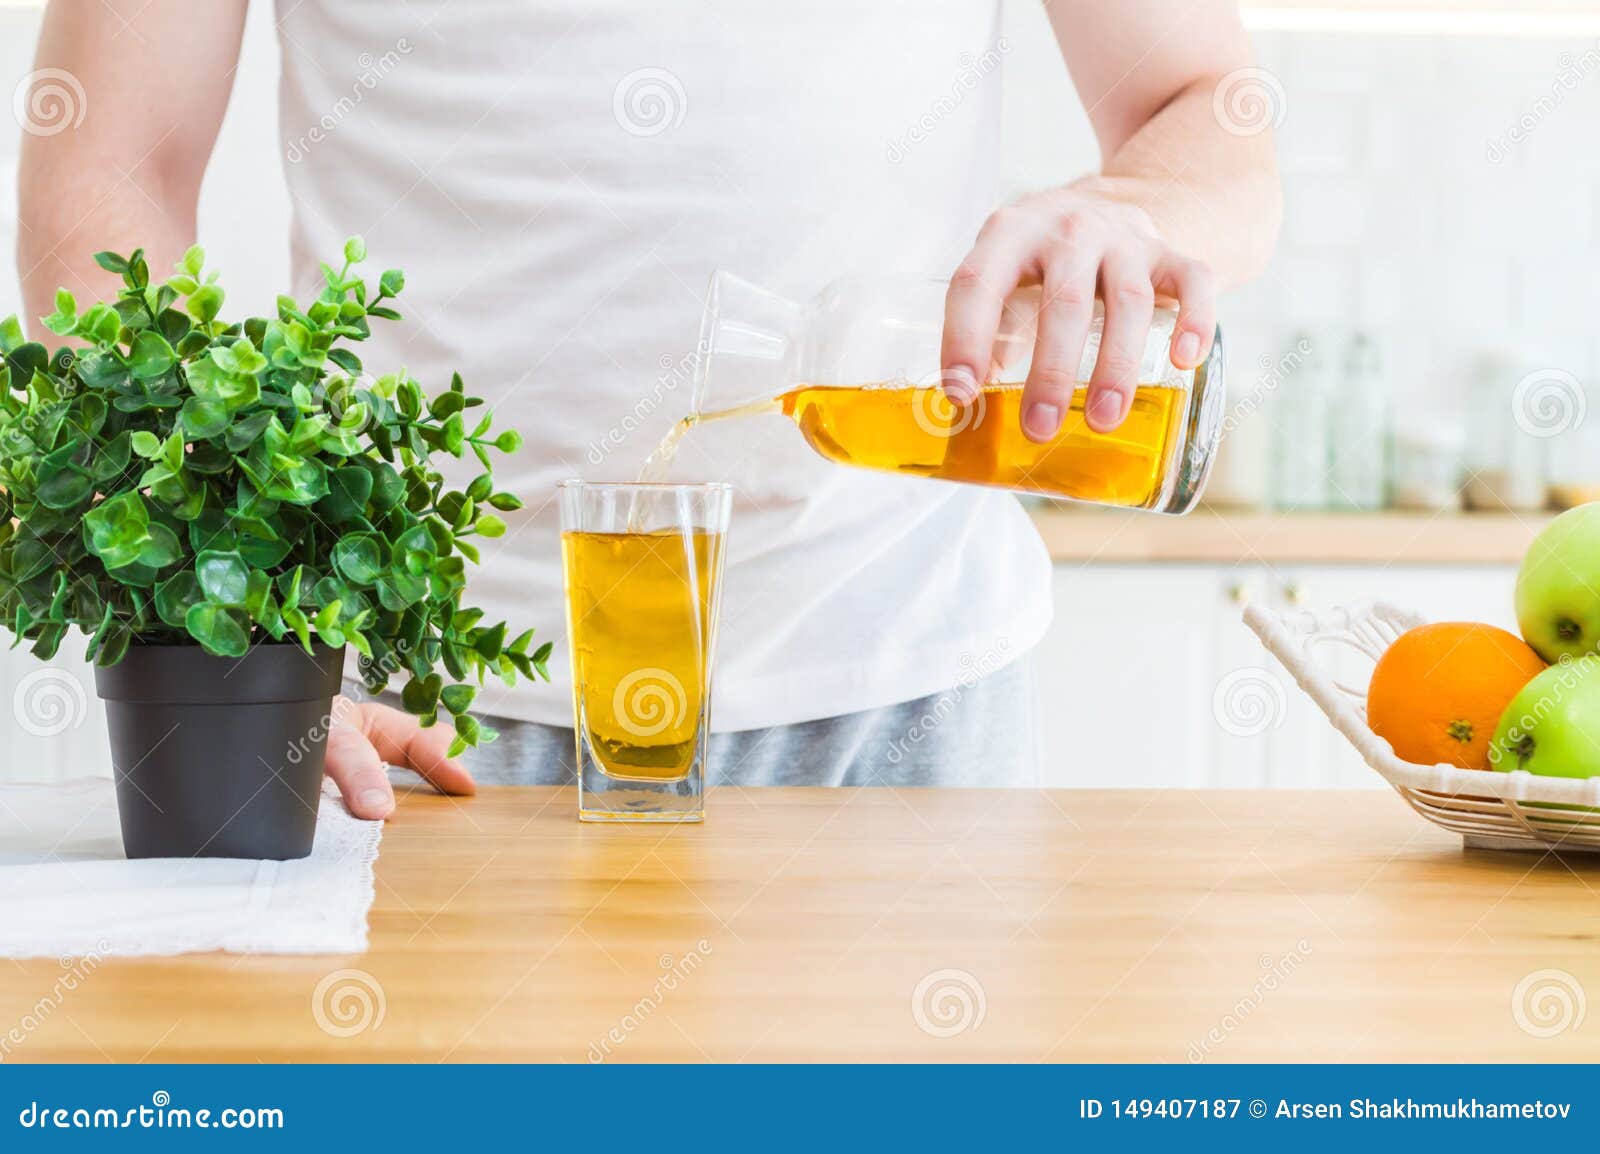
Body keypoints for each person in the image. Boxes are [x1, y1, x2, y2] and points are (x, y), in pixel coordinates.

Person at [17, 1, 1279, 814]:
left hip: (900, 690)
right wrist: (221, 626)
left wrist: (1135, 214)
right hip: (404, 728)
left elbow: (1213, 107)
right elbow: (110, 166)